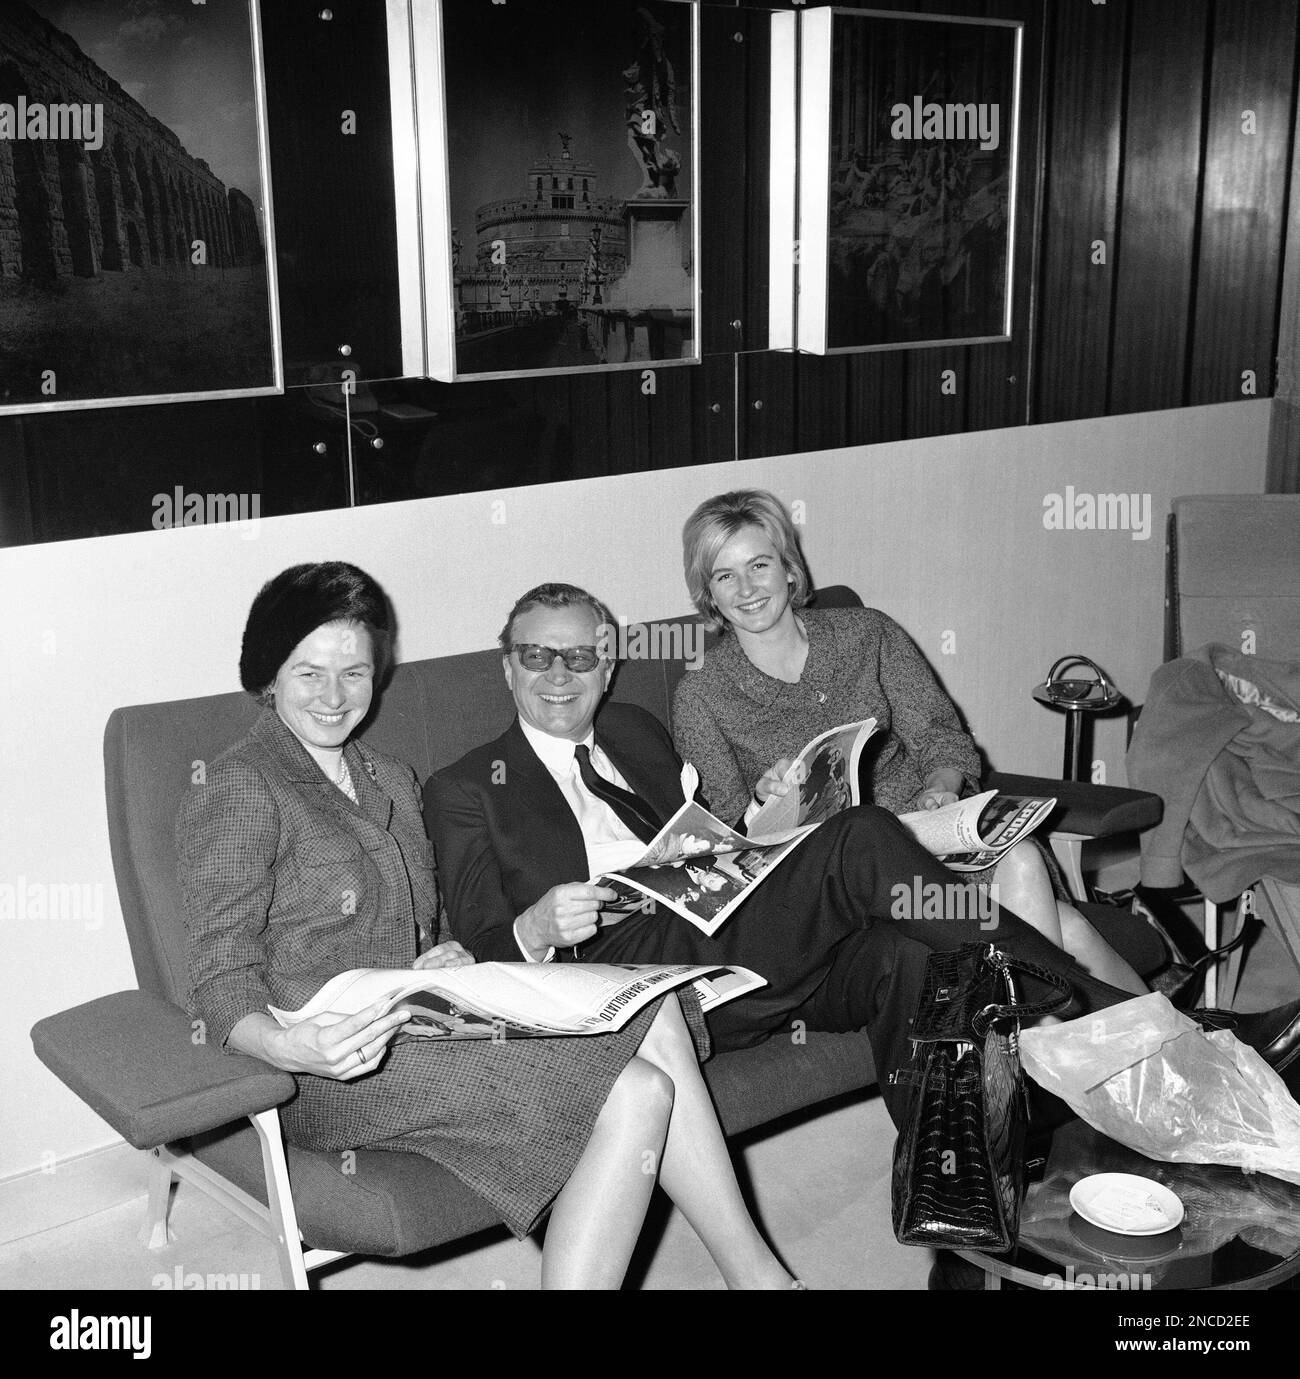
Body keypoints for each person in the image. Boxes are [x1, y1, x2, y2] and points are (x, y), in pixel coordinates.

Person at [176, 562, 800, 1291]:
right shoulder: (242, 784)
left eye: (354, 671)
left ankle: (761, 1282)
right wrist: (289, 1045)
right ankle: (763, 1282)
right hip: (329, 1061)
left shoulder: (389, 778)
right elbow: (219, 977)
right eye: (308, 673)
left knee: (656, 1004)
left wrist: (438, 957)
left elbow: (419, 926)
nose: (335, 695)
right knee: (636, 1092)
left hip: (420, 1016)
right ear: (268, 676)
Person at [427, 582, 1300, 1098]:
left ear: (608, 661)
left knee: (914, 955)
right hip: (630, 977)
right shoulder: (467, 786)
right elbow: (477, 940)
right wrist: (540, 923)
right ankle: (1135, 1020)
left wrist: (764, 818)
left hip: (743, 941)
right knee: (862, 836)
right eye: (536, 657)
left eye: (578, 657)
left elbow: (714, 847)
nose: (558, 677)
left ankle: (967, 1198)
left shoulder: (638, 733)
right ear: (506, 662)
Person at [672, 487, 1146, 995]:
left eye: (759, 565)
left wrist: (942, 787)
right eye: (725, 575)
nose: (746, 588)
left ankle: (1142, 1052)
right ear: (709, 592)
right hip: (846, 880)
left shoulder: (867, 635)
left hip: (929, 830)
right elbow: (720, 841)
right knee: (1062, 928)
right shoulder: (702, 694)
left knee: (1026, 865)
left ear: (789, 568)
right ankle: (1166, 1050)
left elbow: (941, 737)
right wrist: (764, 804)